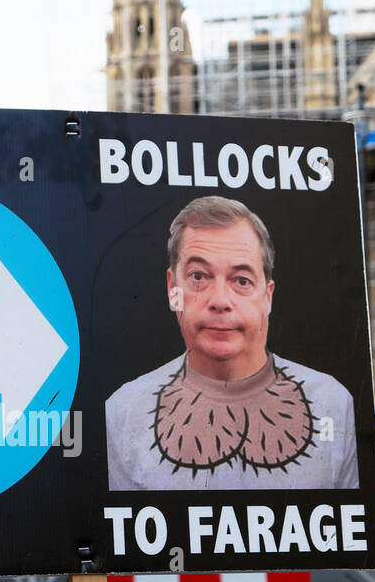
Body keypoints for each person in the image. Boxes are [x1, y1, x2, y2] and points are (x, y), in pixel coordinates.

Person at [105, 196, 357, 491]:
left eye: (241, 280)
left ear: (268, 296)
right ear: (173, 289)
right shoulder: (123, 412)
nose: (220, 301)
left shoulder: (334, 404)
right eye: (198, 276)